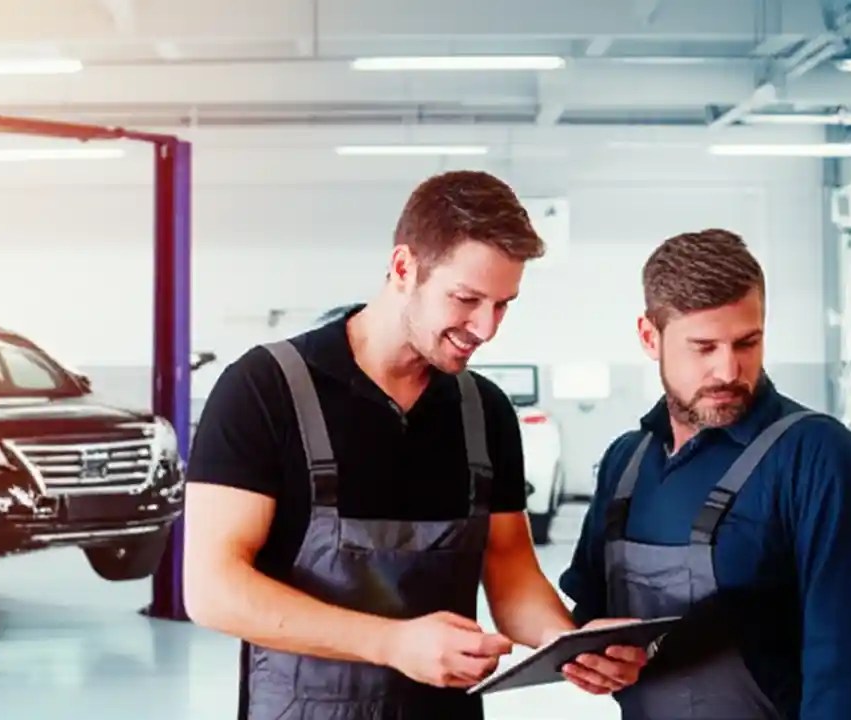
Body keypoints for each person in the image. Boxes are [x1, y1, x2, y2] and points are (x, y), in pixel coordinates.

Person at [183, 170, 649, 719]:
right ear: (404, 268)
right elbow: (212, 589)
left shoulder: (485, 412)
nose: (486, 327)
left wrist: (568, 645)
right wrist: (392, 644)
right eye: (466, 298)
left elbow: (511, 569)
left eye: (503, 304)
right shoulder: (264, 390)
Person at [560, 229, 851, 719]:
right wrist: (595, 659)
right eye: (703, 347)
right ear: (648, 336)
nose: (729, 370)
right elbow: (591, 616)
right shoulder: (625, 463)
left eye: (748, 342)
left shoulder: (818, 458)